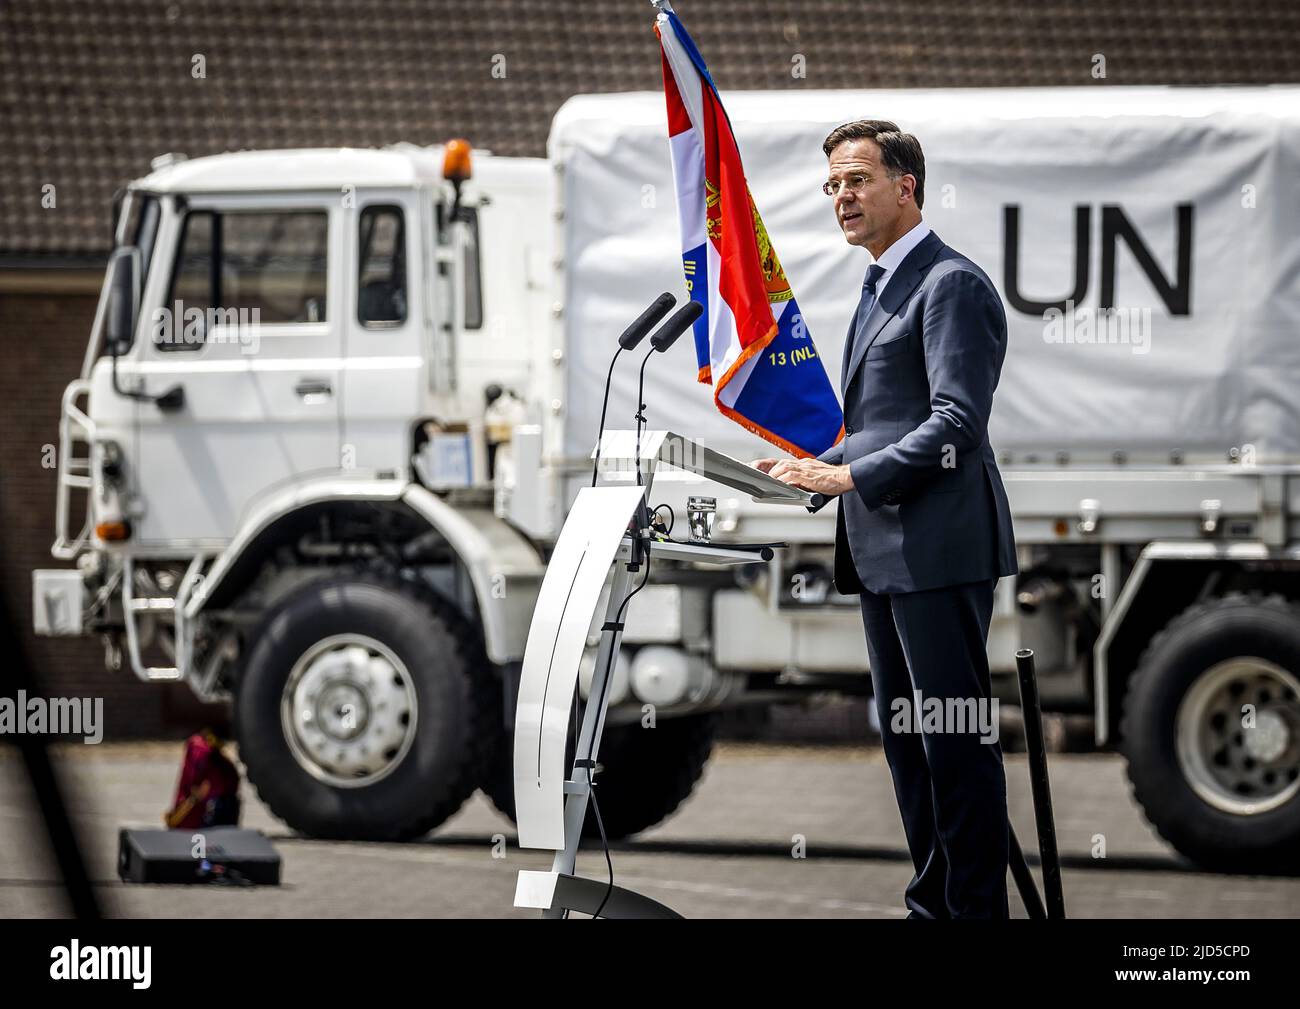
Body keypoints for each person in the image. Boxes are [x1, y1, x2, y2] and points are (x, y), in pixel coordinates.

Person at [756, 120, 1018, 919]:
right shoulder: (879, 284)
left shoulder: (950, 284)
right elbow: (884, 424)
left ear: (906, 188)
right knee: (910, 748)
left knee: (953, 744)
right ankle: (931, 908)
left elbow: (955, 422)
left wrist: (848, 475)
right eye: (833, 185)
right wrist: (812, 467)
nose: (842, 197)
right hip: (884, 552)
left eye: (857, 180)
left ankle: (972, 912)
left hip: (938, 550)